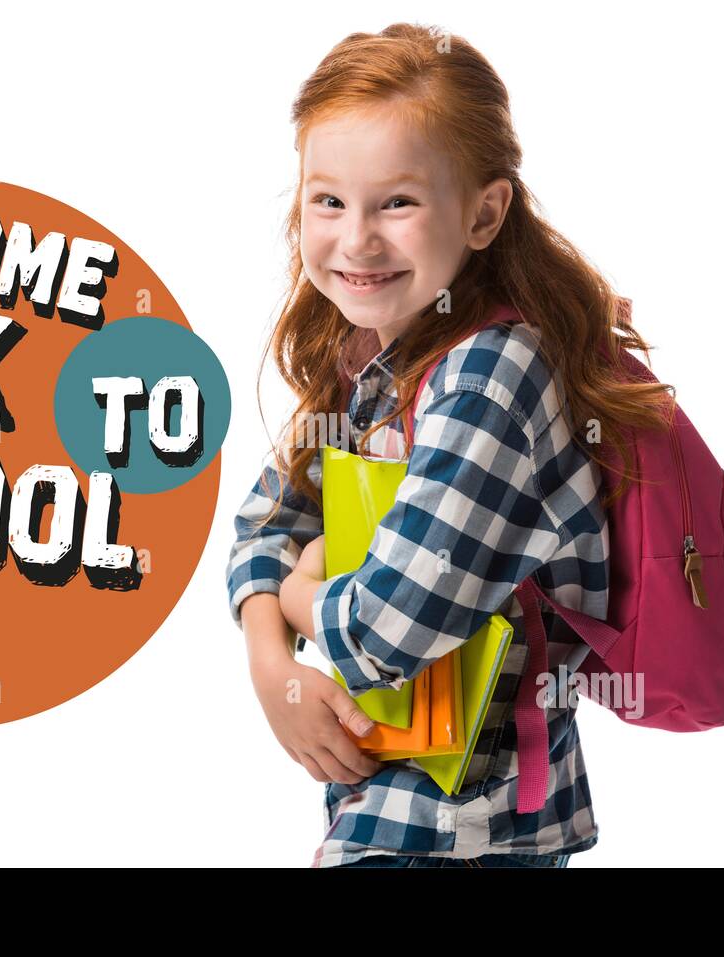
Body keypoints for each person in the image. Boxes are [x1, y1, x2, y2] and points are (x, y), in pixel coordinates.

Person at [224, 22, 675, 869]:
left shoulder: (492, 378)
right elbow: (263, 521)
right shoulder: (373, 352)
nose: (356, 239)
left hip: (470, 828)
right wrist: (270, 667)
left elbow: (380, 633)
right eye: (328, 200)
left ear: (483, 213)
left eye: (396, 202)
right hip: (391, 807)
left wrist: (294, 598)